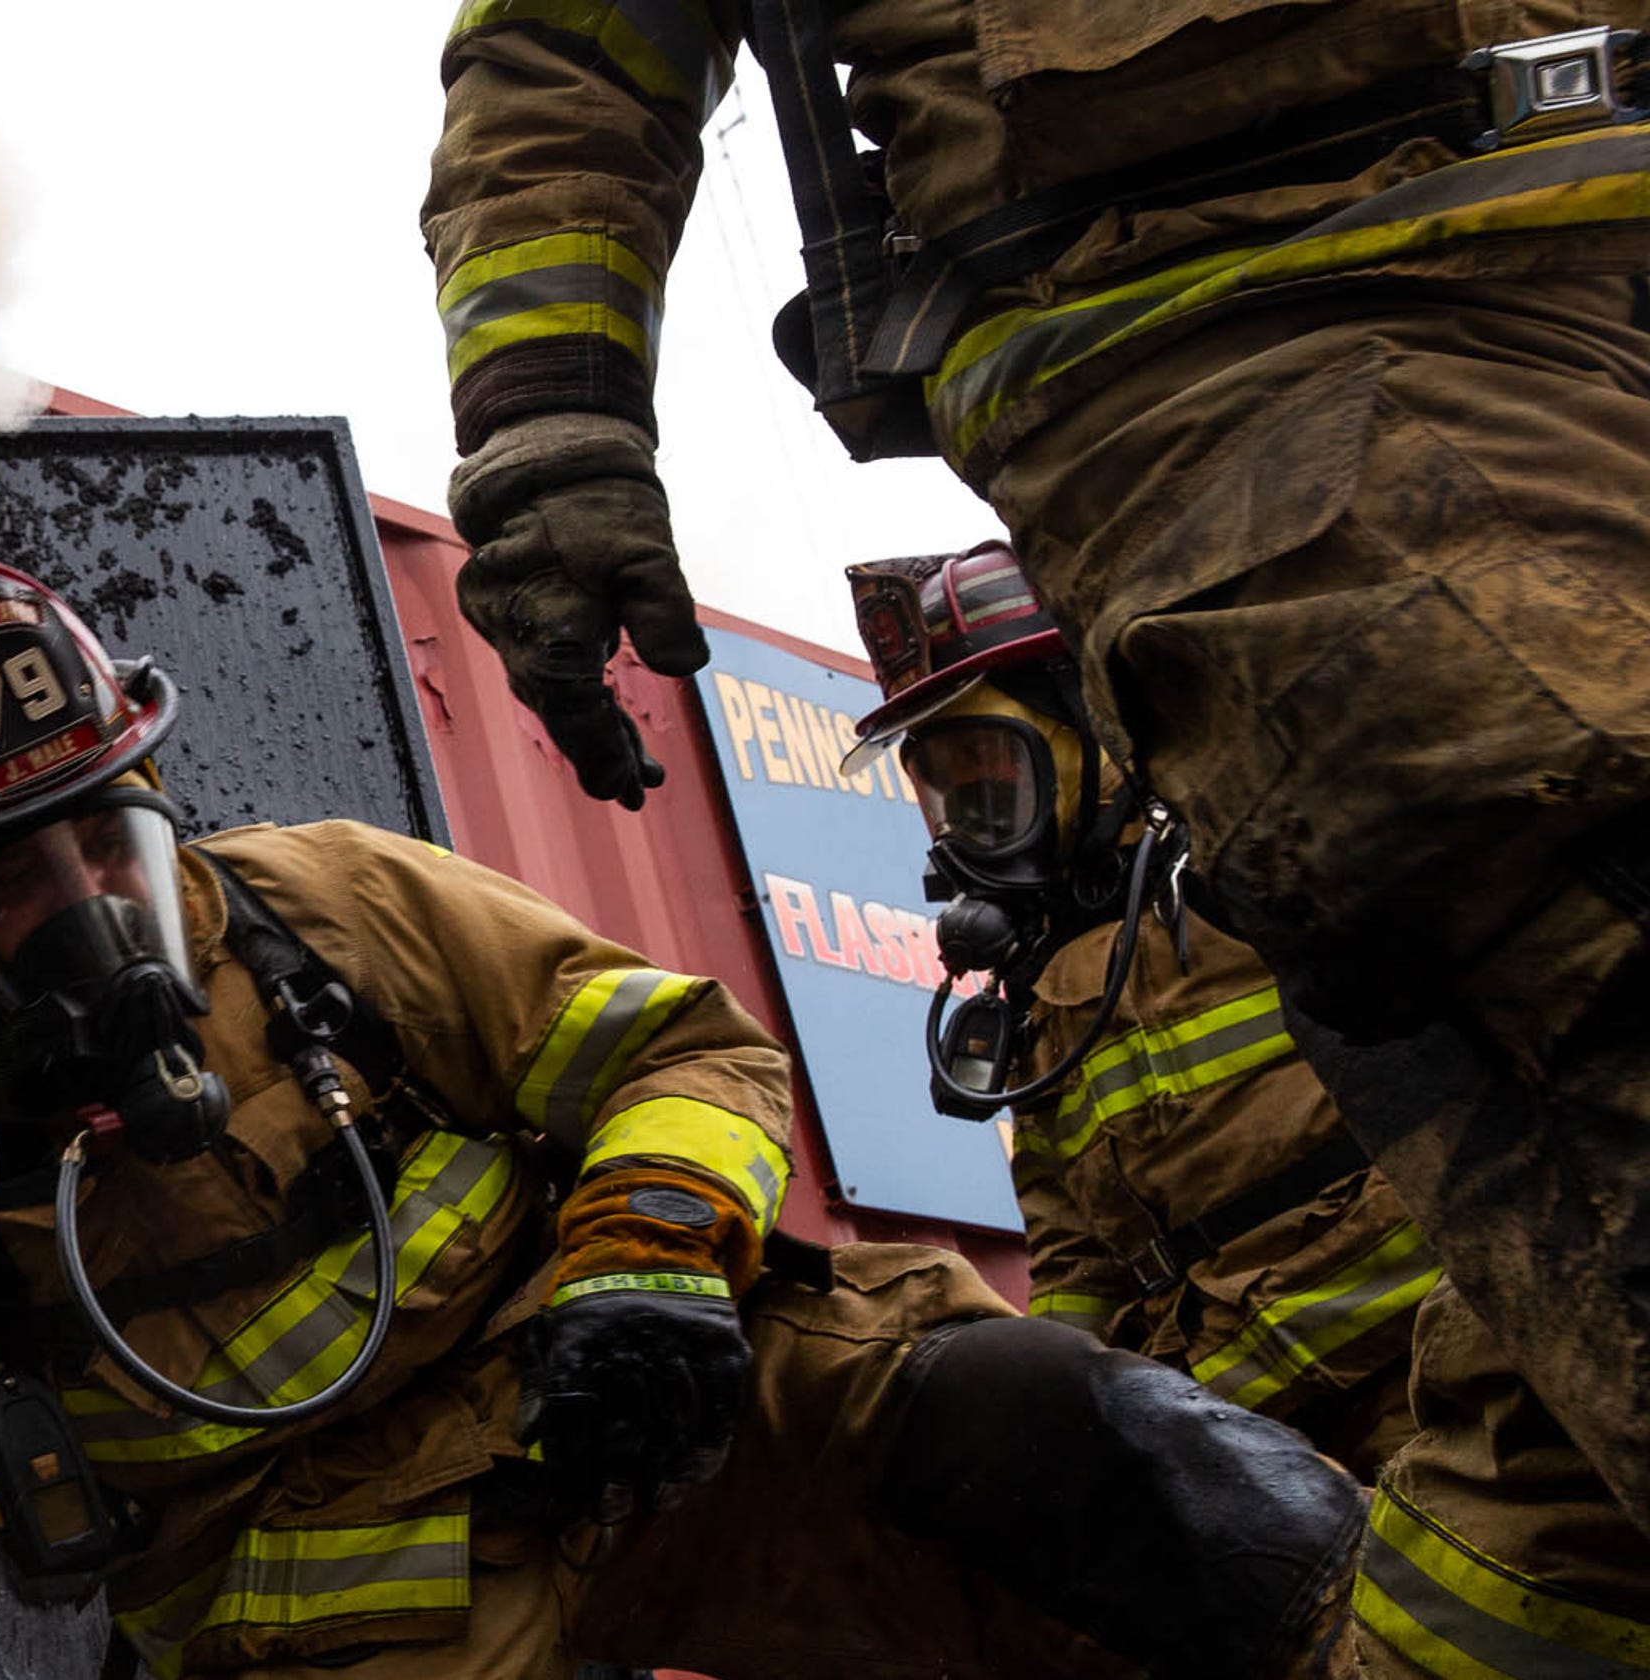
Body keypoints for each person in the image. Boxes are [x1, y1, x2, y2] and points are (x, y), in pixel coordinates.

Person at [0, 555, 1358, 1680]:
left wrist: (646, 1258)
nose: (91, 907)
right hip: (346, 1613)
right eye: (8, 882)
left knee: (1090, 1446)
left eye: (101, 836)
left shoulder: (324, 905)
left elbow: (679, 1052)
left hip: (628, 1404)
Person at [418, 3, 1650, 1641]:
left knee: (1565, 1408)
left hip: (1591, 248)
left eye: (982, 778)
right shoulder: (1056, 1019)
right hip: (1269, 325)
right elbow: (569, 39)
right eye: (937, 789)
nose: (958, 836)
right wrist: (552, 417)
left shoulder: (1157, 936)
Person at [844, 542, 1433, 1473]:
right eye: (946, 785)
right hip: (1252, 1431)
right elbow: (1078, 1254)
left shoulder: (1255, 856)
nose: (971, 815)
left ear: (1098, 724)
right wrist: (1076, 1415)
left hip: (1424, 1367)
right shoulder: (1040, 987)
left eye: (992, 768)